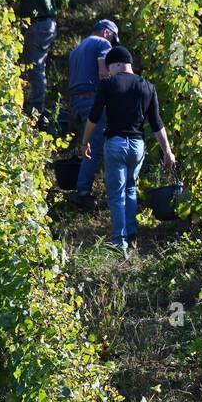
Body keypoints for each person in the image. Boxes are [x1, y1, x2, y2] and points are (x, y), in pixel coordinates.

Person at [79, 46, 177, 254]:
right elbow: (156, 123)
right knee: (131, 188)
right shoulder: (147, 86)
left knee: (116, 195)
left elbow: (94, 116)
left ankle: (119, 242)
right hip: (137, 146)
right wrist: (167, 151)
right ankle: (131, 234)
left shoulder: (108, 85)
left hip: (115, 143)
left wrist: (85, 141)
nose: (106, 73)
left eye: (108, 68)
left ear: (114, 64)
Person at [0, 0, 58, 124]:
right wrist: (8, 12)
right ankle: (34, 110)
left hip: (39, 25)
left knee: (35, 68)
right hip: (45, 24)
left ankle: (36, 113)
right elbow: (28, 3)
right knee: (35, 67)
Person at [67, 19, 119, 209]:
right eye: (113, 38)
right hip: (91, 98)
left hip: (77, 100)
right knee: (94, 146)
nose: (112, 44)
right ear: (106, 32)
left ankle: (86, 186)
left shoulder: (76, 50)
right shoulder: (102, 44)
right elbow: (104, 73)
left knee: (88, 142)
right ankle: (82, 192)